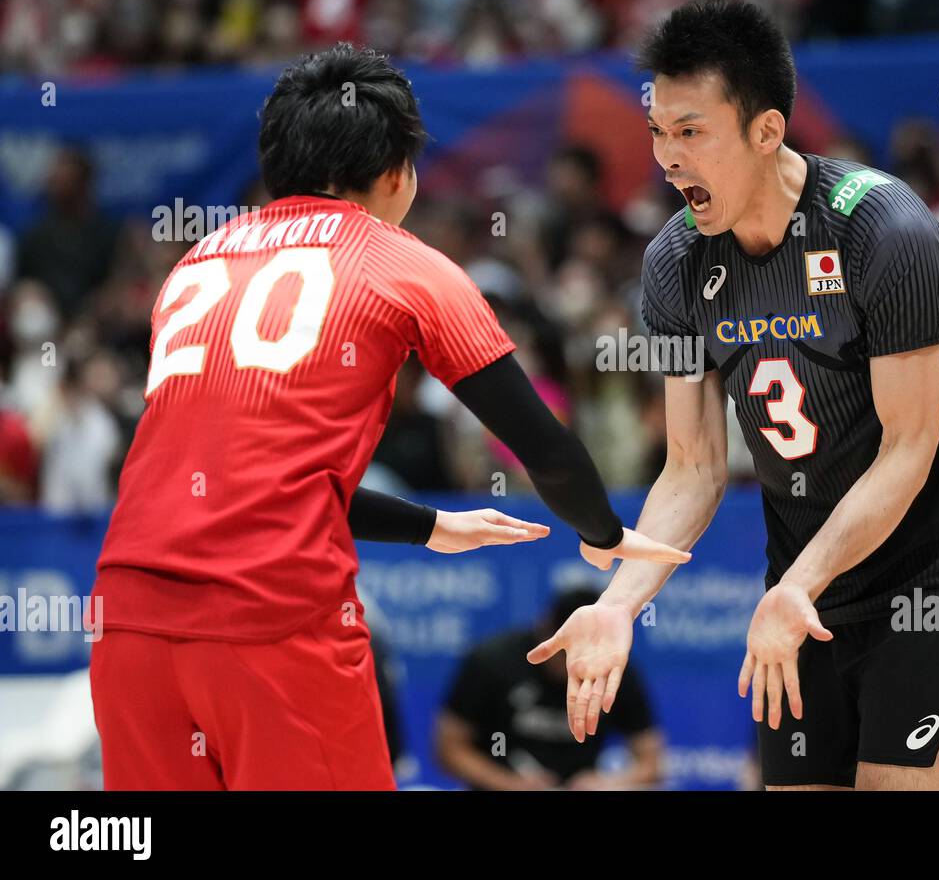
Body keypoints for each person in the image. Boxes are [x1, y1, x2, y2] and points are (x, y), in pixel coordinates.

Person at [88, 43, 687, 791]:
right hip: (274, 629)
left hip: (127, 624)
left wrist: (431, 527)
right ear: (397, 173)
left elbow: (254, 477)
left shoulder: (195, 265)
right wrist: (603, 536)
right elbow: (546, 448)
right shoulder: (405, 263)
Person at [529, 0, 939, 791]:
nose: (668, 159)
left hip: (930, 586)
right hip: (796, 589)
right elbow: (691, 466)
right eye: (657, 132)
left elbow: (910, 447)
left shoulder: (883, 231)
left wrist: (799, 584)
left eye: (691, 132)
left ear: (766, 130)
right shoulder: (674, 263)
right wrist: (620, 603)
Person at [437, 588, 662, 790]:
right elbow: (450, 747)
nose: (577, 665)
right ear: (546, 633)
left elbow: (651, 761)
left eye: (588, 653)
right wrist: (509, 783)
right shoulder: (492, 662)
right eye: (567, 652)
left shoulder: (614, 671)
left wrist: (608, 784)